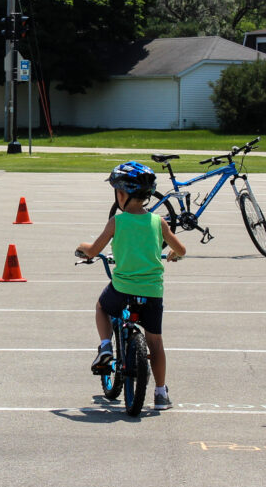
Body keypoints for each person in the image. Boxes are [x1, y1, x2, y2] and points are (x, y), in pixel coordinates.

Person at [76, 161, 186, 410]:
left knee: (102, 307)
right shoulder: (159, 223)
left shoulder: (117, 222)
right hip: (152, 292)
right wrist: (174, 255)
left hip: (122, 288)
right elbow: (181, 249)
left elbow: (93, 251)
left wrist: (82, 249)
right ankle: (160, 394)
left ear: (122, 194)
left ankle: (105, 347)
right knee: (155, 342)